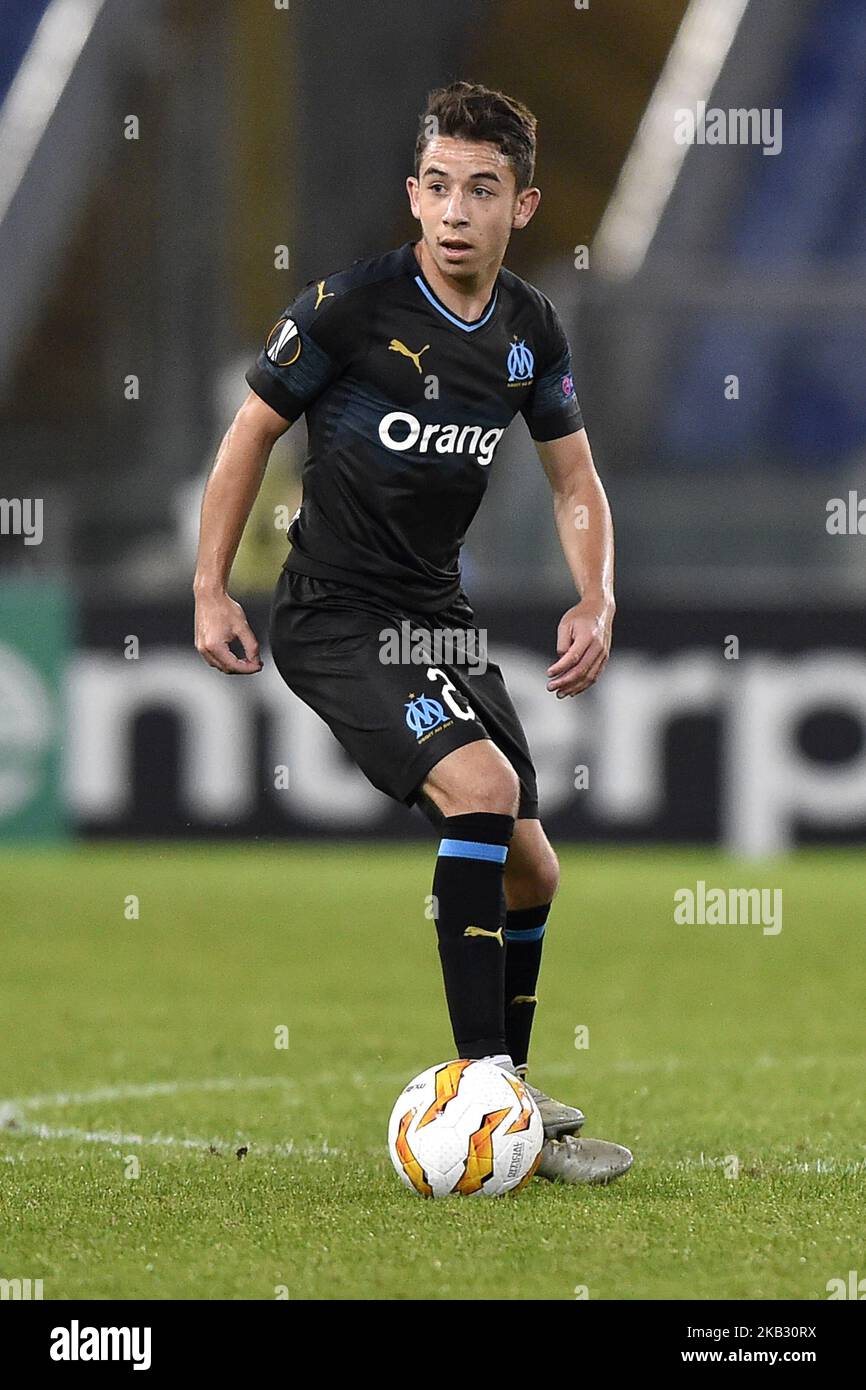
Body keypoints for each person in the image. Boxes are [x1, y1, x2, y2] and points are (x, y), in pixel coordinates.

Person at [194, 81, 630, 1185]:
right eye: (436, 186)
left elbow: (573, 476)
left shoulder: (527, 331)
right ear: (412, 193)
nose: (452, 210)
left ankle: (510, 1106)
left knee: (532, 869)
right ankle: (483, 1091)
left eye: (480, 190)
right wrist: (209, 588)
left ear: (520, 207)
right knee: (480, 794)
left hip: (436, 617)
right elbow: (249, 436)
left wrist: (595, 595)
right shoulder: (349, 309)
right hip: (337, 615)